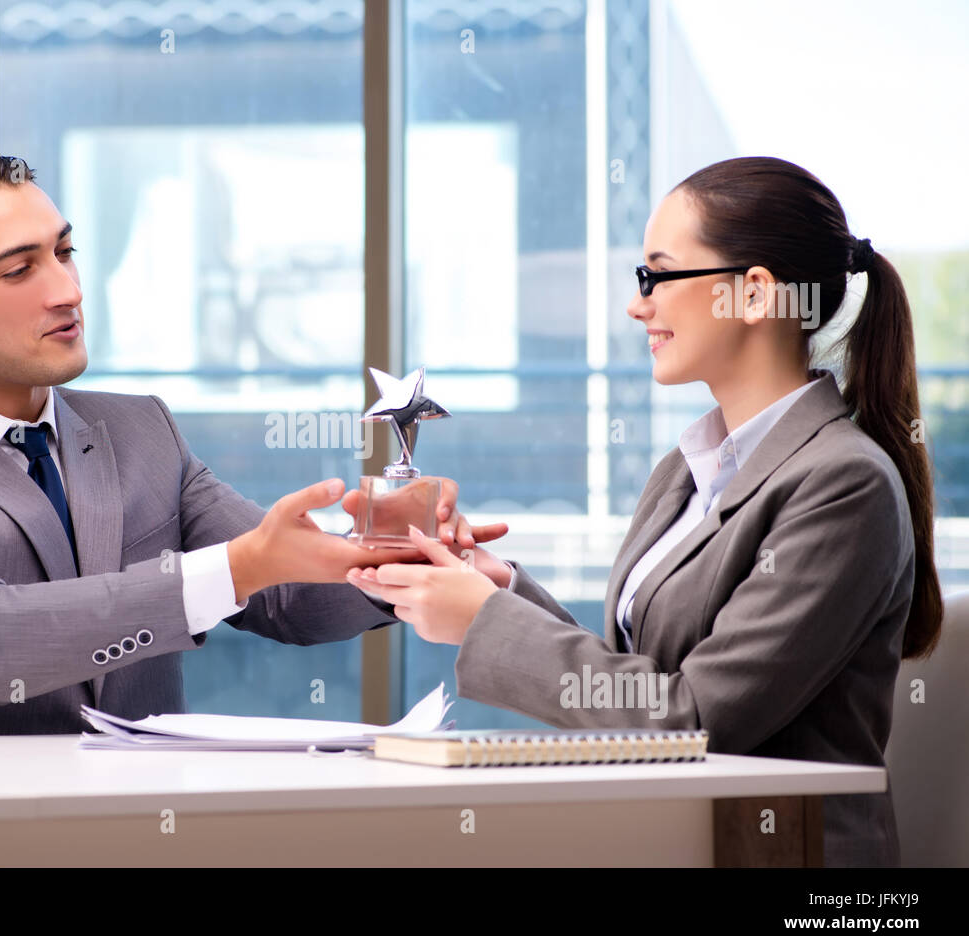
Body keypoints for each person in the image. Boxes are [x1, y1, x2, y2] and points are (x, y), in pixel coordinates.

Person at [0, 146, 503, 737]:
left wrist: (400, 552)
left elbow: (288, 599)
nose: (67, 290)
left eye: (65, 252)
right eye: (21, 268)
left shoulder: (139, 431)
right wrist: (236, 566)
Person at [348, 156, 943, 867]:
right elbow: (637, 677)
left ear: (754, 295)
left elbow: (692, 719)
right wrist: (498, 584)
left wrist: (481, 619)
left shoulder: (845, 484)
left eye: (657, 275)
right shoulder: (684, 470)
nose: (639, 304)